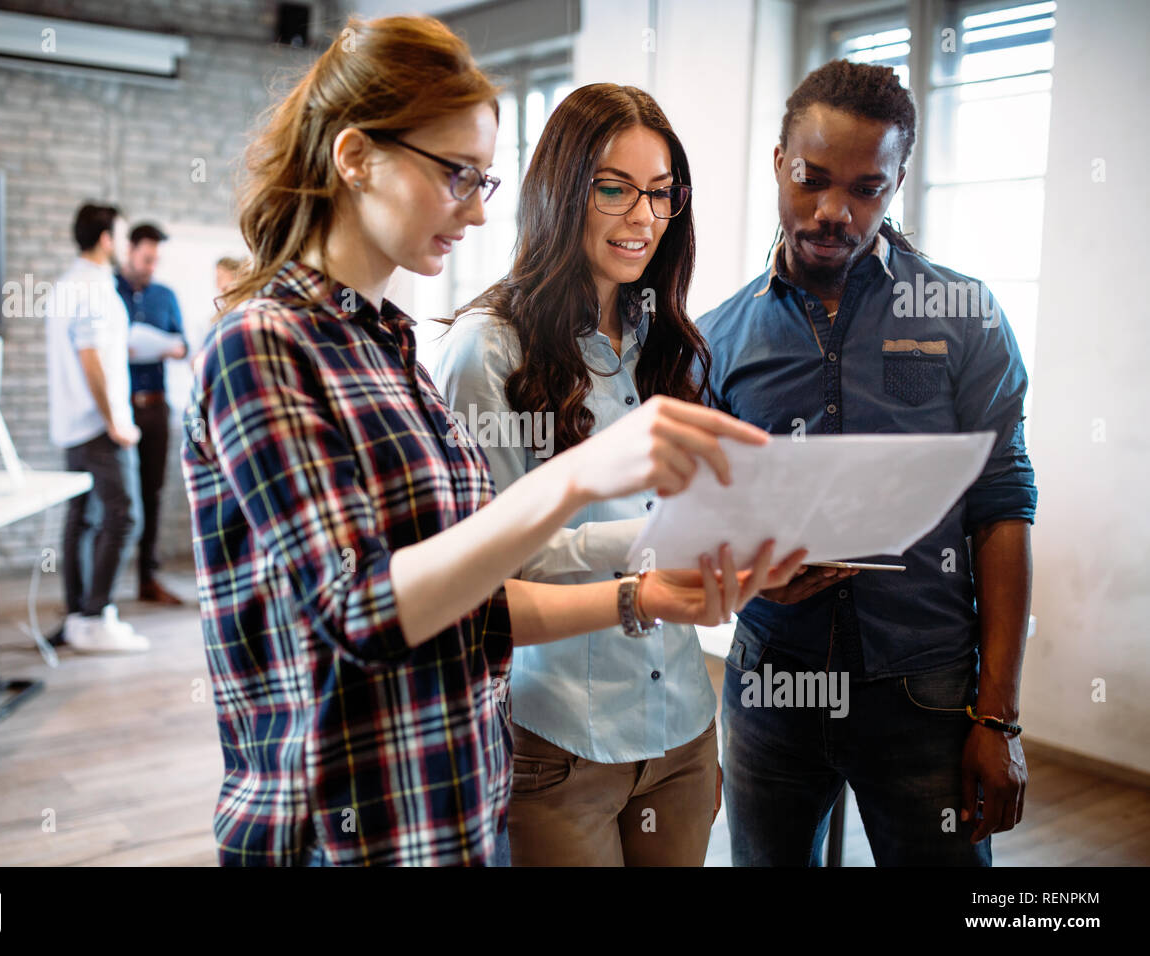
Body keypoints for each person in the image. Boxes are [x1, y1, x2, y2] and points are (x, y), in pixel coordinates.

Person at [180, 15, 805, 867]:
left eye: (485, 178)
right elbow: (360, 612)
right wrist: (581, 482)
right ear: (356, 156)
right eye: (456, 175)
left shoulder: (389, 347)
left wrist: (652, 593)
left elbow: (475, 606)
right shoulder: (263, 345)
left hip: (450, 808)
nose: (478, 209)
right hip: (344, 826)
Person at [697, 59, 1036, 866]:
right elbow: (700, 519)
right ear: (778, 162)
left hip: (927, 695)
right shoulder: (714, 341)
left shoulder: (964, 318)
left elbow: (1003, 508)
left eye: (866, 189)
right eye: (812, 179)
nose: (833, 212)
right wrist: (748, 574)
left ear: (899, 182)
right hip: (770, 691)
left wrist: (998, 719)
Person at [430, 84, 725, 866]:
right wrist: (662, 548)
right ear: (562, 191)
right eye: (615, 189)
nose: (643, 219)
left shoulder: (665, 337)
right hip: (558, 738)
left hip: (684, 726)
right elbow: (497, 564)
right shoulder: (486, 349)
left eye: (662, 194)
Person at [46, 202, 150, 653]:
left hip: (72, 425)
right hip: (98, 427)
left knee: (83, 520)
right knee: (125, 516)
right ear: (107, 239)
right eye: (122, 237)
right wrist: (116, 422)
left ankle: (78, 617)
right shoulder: (94, 290)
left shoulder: (66, 286)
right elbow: (92, 360)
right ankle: (95, 615)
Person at [117, 222, 188, 606]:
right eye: (146, 258)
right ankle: (100, 592)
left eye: (155, 260)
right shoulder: (109, 292)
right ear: (130, 251)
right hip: (120, 409)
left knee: (152, 493)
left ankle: (148, 579)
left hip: (156, 407)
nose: (150, 266)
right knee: (112, 499)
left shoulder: (165, 295)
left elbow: (182, 345)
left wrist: (159, 346)